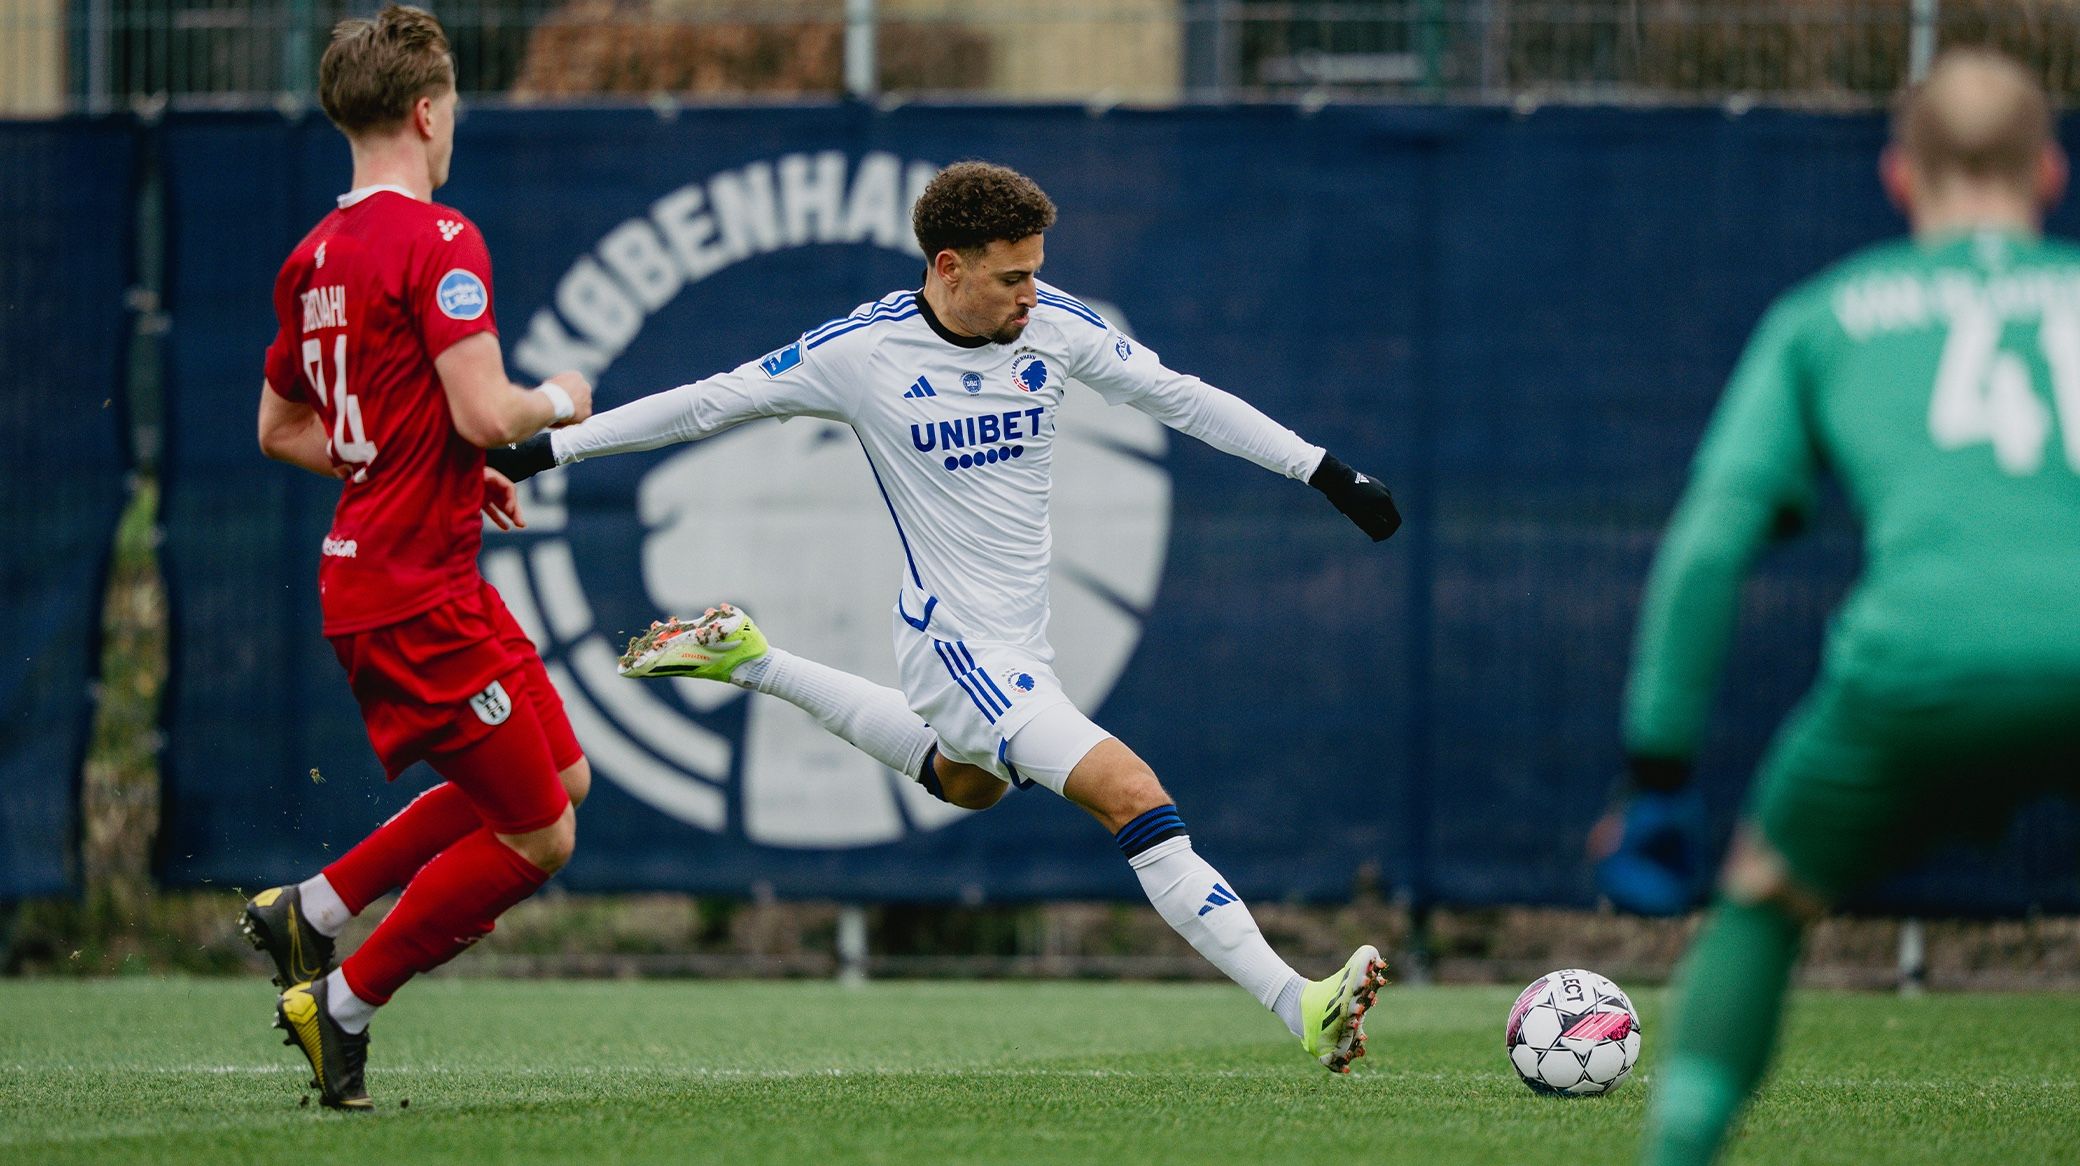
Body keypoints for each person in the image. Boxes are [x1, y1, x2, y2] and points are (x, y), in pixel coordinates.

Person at [490, 160, 1403, 1072]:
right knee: (1133, 794)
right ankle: (1299, 1002)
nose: (1030, 295)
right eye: (1012, 278)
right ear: (947, 267)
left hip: (1021, 644)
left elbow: (1183, 396)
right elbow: (707, 403)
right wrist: (548, 452)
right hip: (951, 646)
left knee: (967, 783)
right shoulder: (864, 354)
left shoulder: (1056, 328)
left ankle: (750, 660)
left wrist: (1323, 470)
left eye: (1038, 272)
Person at [1602, 48, 2080, 1164]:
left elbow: (1708, 548)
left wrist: (1657, 777)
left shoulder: (1826, 318)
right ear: (2049, 173)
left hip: (1916, 667)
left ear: (1898, 178)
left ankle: (1678, 1146)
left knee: (1763, 890)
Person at [241, 4, 595, 1110]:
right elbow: (490, 408)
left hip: (401, 570)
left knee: (561, 772)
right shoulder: (441, 241)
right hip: (411, 593)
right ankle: (341, 1000)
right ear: (429, 112)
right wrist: (560, 401)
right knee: (542, 833)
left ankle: (314, 907)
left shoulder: (313, 254)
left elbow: (285, 428)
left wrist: (433, 469)